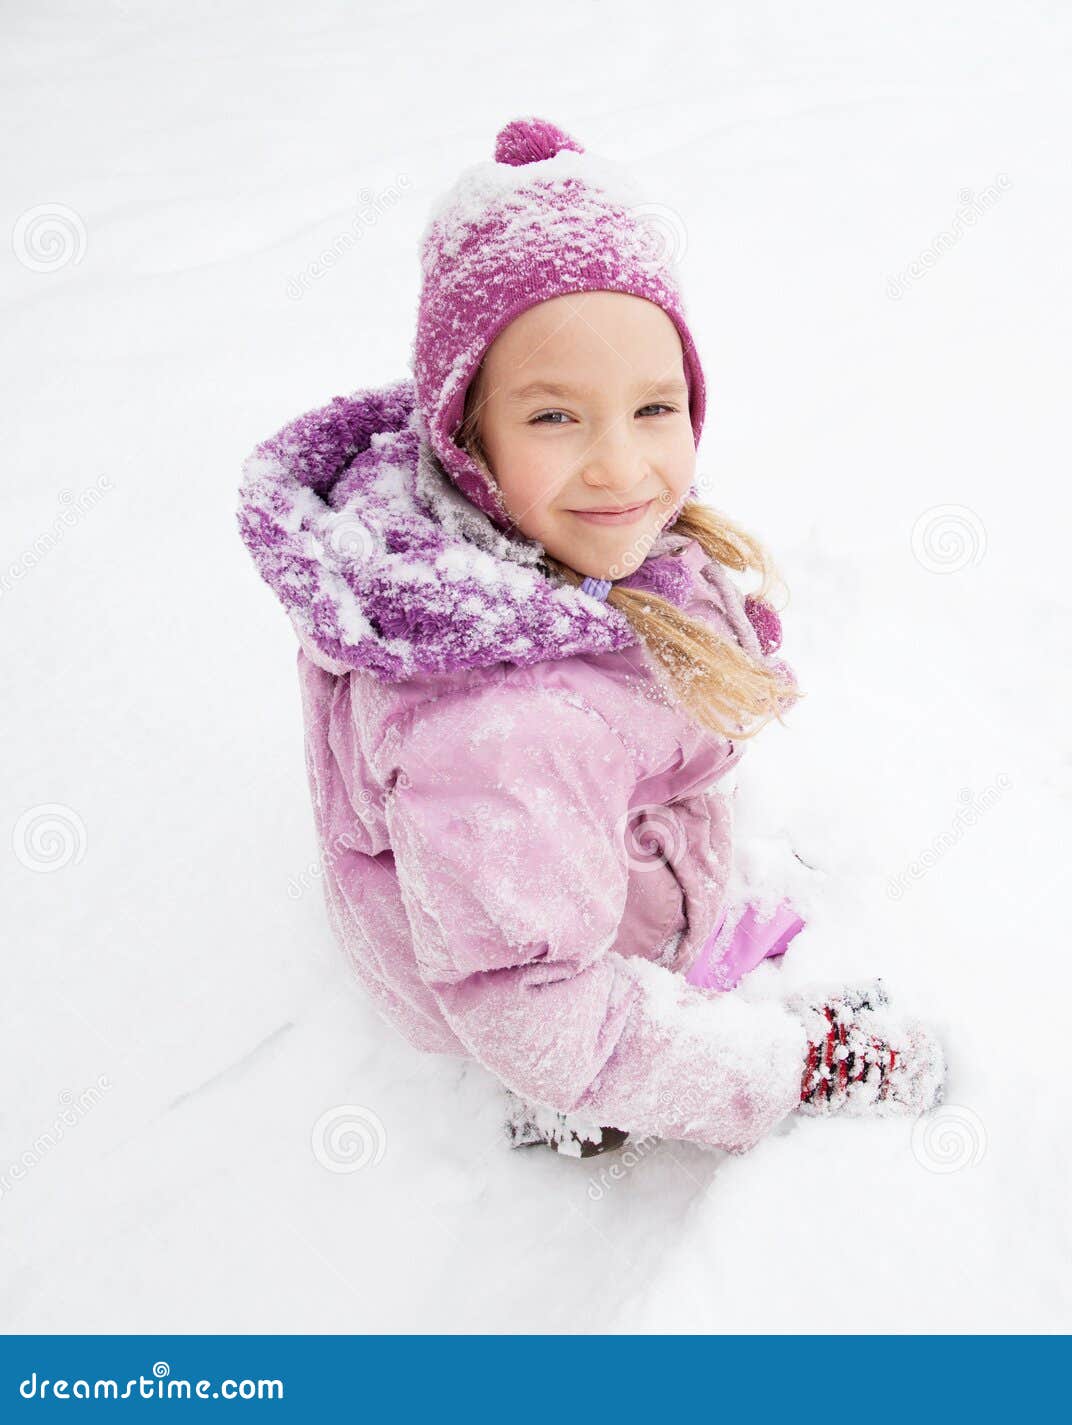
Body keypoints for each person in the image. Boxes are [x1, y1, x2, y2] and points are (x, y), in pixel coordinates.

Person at [238, 115, 945, 1159]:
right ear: (462, 428)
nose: (622, 469)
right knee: (558, 1031)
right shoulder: (498, 731)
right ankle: (591, 1091)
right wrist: (775, 1071)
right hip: (520, 976)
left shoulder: (494, 540)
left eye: (654, 407)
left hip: (502, 885)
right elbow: (521, 1005)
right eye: (556, 418)